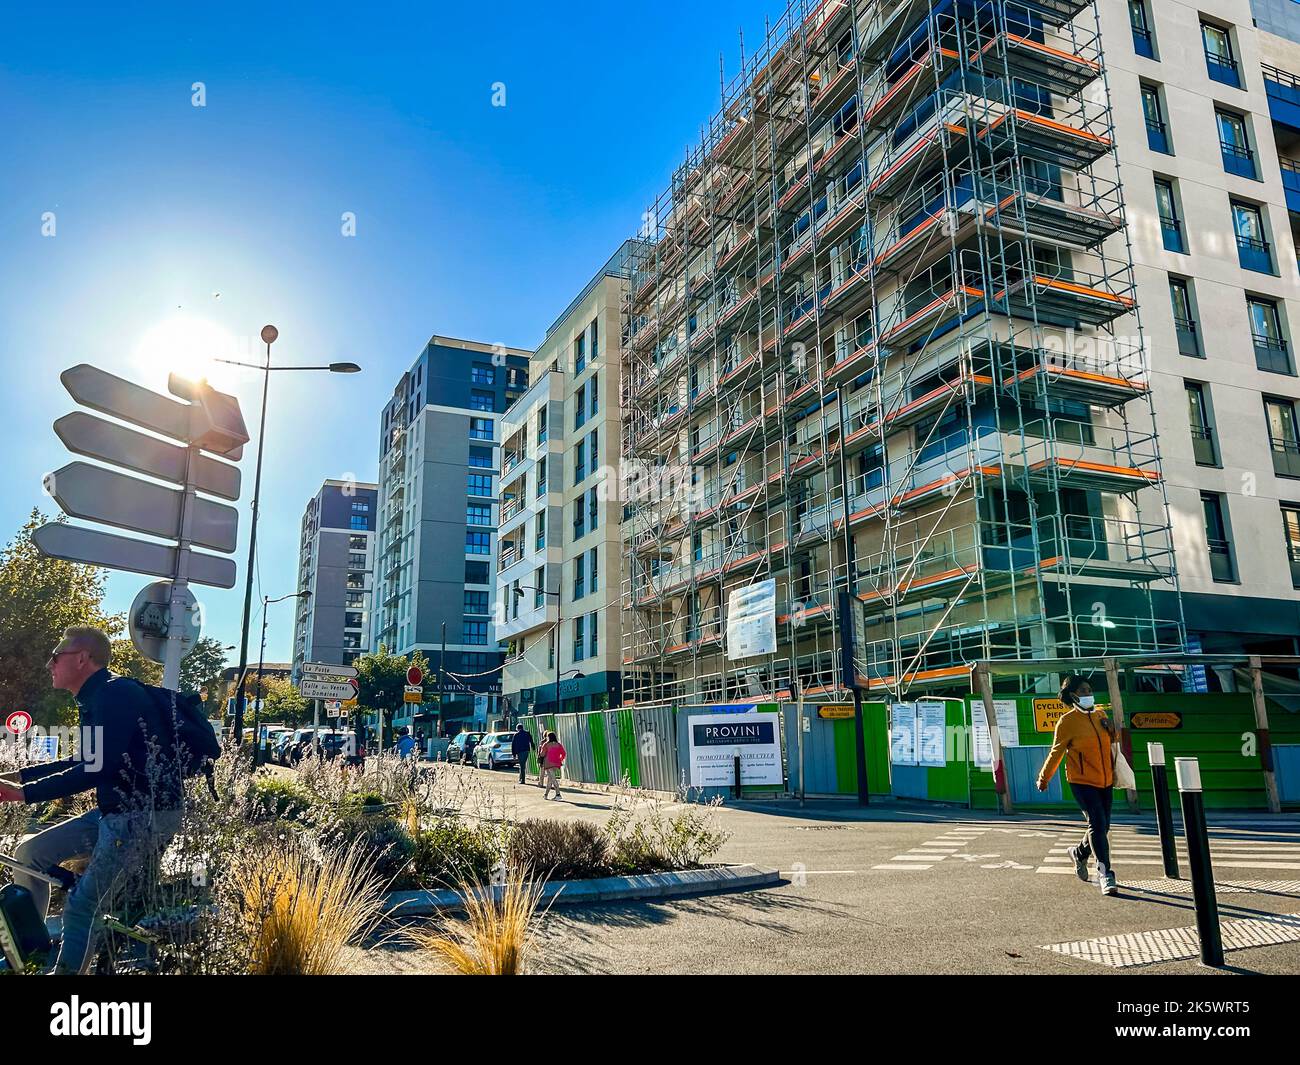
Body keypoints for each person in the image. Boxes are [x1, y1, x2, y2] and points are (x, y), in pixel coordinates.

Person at [0, 627, 184, 972]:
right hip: (113, 812)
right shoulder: (96, 697)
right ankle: (30, 953)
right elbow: (82, 759)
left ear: (82, 659)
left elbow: (94, 770)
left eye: (56, 656)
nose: (49, 664)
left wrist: (23, 795)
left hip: (144, 816)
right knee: (29, 853)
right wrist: (19, 778)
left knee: (83, 906)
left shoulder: (115, 696)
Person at [1037, 674, 1118, 896]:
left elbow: (1112, 743)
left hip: (1105, 779)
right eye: (1083, 691)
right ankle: (1105, 873)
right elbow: (1057, 751)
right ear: (1073, 696)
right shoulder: (1067, 722)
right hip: (1081, 781)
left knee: (1103, 826)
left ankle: (1079, 853)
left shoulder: (1101, 714)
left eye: (1089, 690)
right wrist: (1044, 778)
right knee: (1096, 824)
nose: (1088, 694)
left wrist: (1112, 729)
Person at [537, 730, 566, 801]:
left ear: (548, 737)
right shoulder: (558, 744)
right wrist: (560, 759)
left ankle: (558, 794)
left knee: (553, 779)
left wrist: (541, 750)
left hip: (548, 763)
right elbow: (564, 753)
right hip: (556, 763)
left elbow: (542, 754)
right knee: (550, 780)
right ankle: (546, 795)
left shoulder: (546, 744)